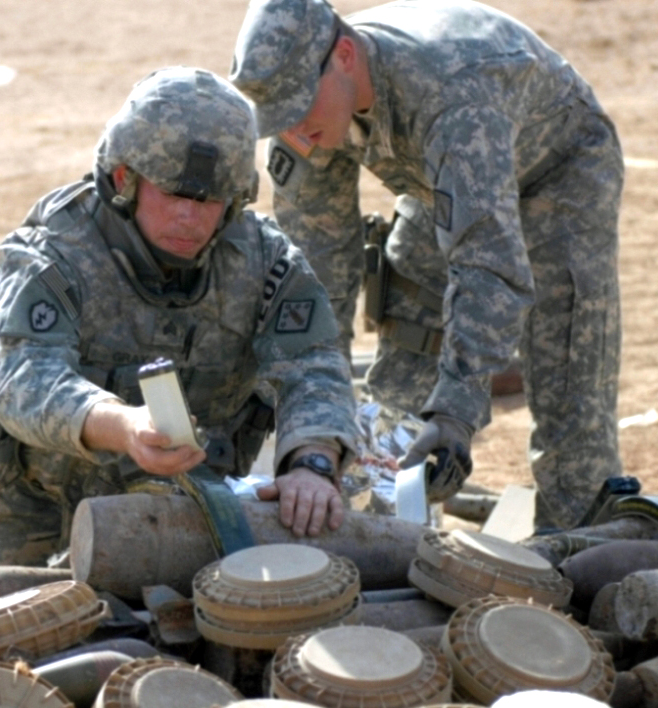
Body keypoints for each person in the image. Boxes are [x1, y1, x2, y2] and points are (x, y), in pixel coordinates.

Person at [229, 0, 625, 530]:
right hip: (437, 175)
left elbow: (488, 264)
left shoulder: (455, 98)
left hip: (557, 168)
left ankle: (580, 540)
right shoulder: (308, 108)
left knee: (565, 363)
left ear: (344, 55)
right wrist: (315, 409)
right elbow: (316, 269)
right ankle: (393, 522)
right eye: (279, 114)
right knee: (407, 333)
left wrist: (456, 412)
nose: (294, 124)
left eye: (299, 104)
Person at [0, 66, 360, 571]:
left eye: (208, 201)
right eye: (174, 194)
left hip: (187, 513)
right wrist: (121, 425)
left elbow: (314, 366)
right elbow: (23, 380)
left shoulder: (266, 262)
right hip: (35, 518)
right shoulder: (55, 254)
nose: (190, 217)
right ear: (126, 179)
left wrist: (312, 463)